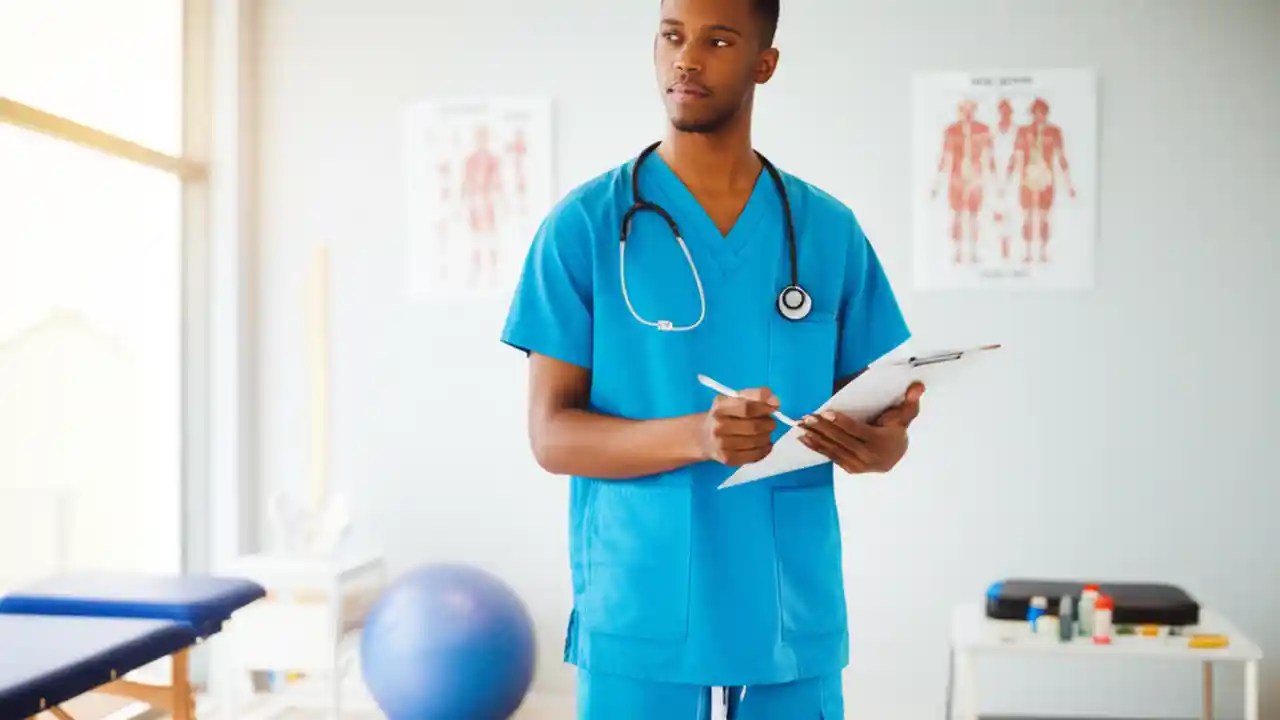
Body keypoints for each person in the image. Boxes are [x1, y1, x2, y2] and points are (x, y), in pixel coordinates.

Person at [500, 0, 924, 717]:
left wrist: (883, 445)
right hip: (642, 600)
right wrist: (698, 436)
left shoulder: (827, 230)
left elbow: (877, 413)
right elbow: (551, 436)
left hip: (788, 603)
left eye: (717, 40)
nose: (686, 58)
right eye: (672, 36)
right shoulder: (586, 227)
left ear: (765, 63)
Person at [1006, 97, 1076, 263]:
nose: (1039, 116)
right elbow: (1016, 155)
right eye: (1036, 113)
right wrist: (1008, 179)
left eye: (1042, 113)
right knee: (1028, 216)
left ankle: (1043, 252)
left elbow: (1061, 158)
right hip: (1027, 178)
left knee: (1044, 217)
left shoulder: (1054, 132)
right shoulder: (1023, 131)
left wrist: (1069, 184)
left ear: (1046, 113)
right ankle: (1028, 252)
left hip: (1046, 179)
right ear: (1032, 114)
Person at [930, 98, 995, 264]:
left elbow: (989, 156)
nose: (967, 113)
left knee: (973, 216)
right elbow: (945, 157)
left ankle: (973, 252)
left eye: (970, 110)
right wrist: (937, 183)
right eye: (964, 110)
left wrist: (994, 181)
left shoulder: (983, 130)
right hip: (957, 178)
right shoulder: (952, 130)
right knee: (958, 216)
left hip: (975, 179)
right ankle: (958, 252)